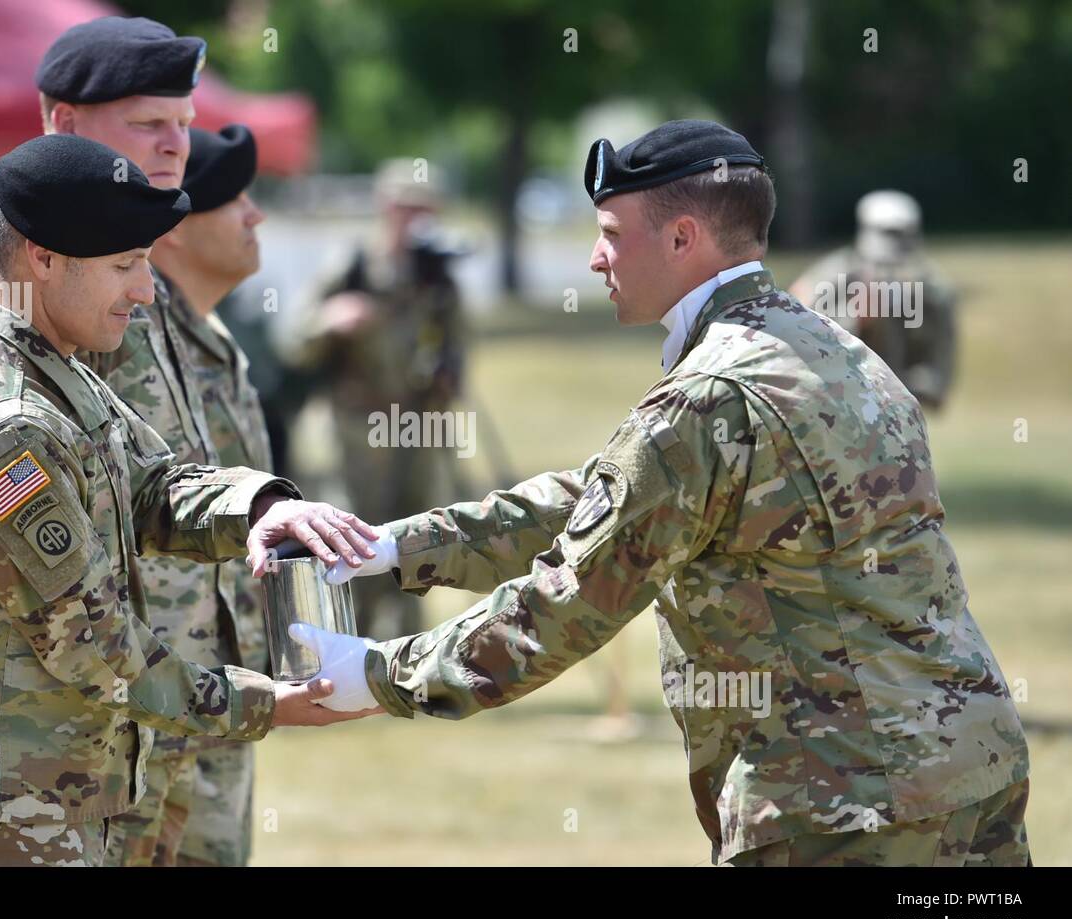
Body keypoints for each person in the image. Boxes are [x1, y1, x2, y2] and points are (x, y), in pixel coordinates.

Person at [270, 121, 1031, 867]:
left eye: (610, 232)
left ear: (681, 238)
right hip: (971, 769)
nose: (595, 258)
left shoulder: (705, 399)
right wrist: (395, 547)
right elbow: (607, 496)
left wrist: (379, 676)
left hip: (839, 808)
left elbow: (568, 601)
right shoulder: (837, 353)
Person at [0, 135, 378, 867]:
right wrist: (269, 700)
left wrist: (260, 505)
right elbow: (96, 648)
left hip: (48, 806)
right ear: (42, 257)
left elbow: (154, 483)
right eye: (125, 264)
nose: (146, 291)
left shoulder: (58, 372)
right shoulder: (7, 428)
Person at [0, 16, 288, 867]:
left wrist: (263, 507)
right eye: (147, 124)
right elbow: (1, 500)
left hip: (163, 685)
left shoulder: (119, 265)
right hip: (64, 712)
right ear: (61, 122)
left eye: (183, 123)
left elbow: (150, 476)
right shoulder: (28, 279)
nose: (175, 145)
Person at [97, 125, 278, 867]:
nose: (255, 214)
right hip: (148, 688)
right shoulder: (119, 330)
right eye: (234, 198)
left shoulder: (209, 337)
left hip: (222, 677)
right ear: (169, 230)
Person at [276, 158, 468, 639]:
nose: (416, 218)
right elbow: (294, 339)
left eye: (424, 207)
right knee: (354, 528)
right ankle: (349, 639)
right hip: (357, 423)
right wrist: (332, 320)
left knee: (418, 528)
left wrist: (448, 374)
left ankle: (406, 643)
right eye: (406, 206)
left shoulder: (437, 274)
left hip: (420, 421)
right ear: (386, 207)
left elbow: (458, 349)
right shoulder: (353, 265)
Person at [789, 190, 957, 410]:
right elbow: (799, 314)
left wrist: (926, 384)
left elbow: (940, 351)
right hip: (838, 384)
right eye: (887, 233)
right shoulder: (839, 271)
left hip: (898, 391)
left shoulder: (930, 286)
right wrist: (855, 320)